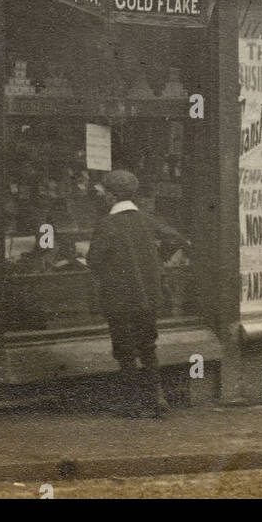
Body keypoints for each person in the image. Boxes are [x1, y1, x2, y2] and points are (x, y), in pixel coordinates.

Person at [88, 170, 173, 419]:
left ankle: (132, 402)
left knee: (125, 350)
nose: (100, 196)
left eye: (103, 192)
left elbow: (94, 259)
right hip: (149, 296)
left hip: (120, 298)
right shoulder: (147, 220)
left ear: (112, 196)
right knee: (148, 345)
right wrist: (159, 262)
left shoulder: (107, 224)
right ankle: (157, 397)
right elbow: (175, 239)